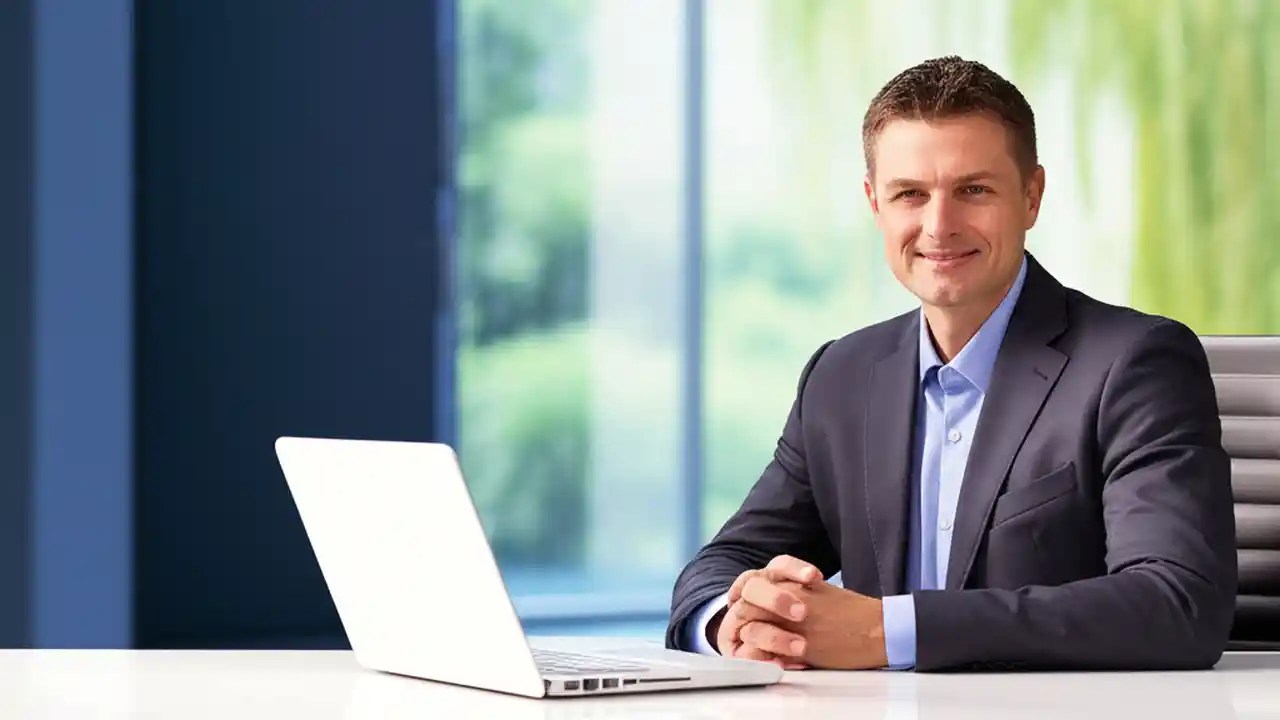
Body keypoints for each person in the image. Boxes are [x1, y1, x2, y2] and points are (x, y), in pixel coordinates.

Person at [666, 56, 1237, 671]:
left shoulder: (1135, 364)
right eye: (910, 194)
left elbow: (1177, 603)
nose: (939, 226)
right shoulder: (841, 376)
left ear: (1031, 196)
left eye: (974, 190)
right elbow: (723, 566)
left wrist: (886, 632)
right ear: (875, 203)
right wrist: (733, 625)